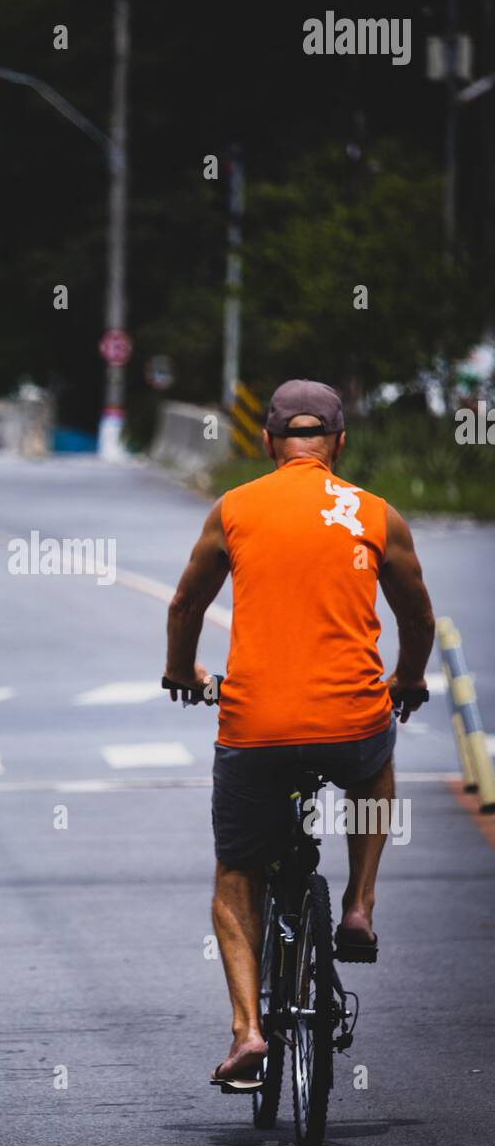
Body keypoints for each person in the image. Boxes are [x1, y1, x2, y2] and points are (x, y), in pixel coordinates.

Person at [164, 379, 435, 1090]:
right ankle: (359, 905)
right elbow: (419, 620)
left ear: (267, 441)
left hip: (255, 732)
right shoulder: (376, 515)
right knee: (376, 765)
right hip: (351, 724)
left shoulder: (235, 509)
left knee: (235, 872)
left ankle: (247, 1032)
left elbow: (187, 601)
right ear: (339, 443)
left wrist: (179, 671)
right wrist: (406, 679)